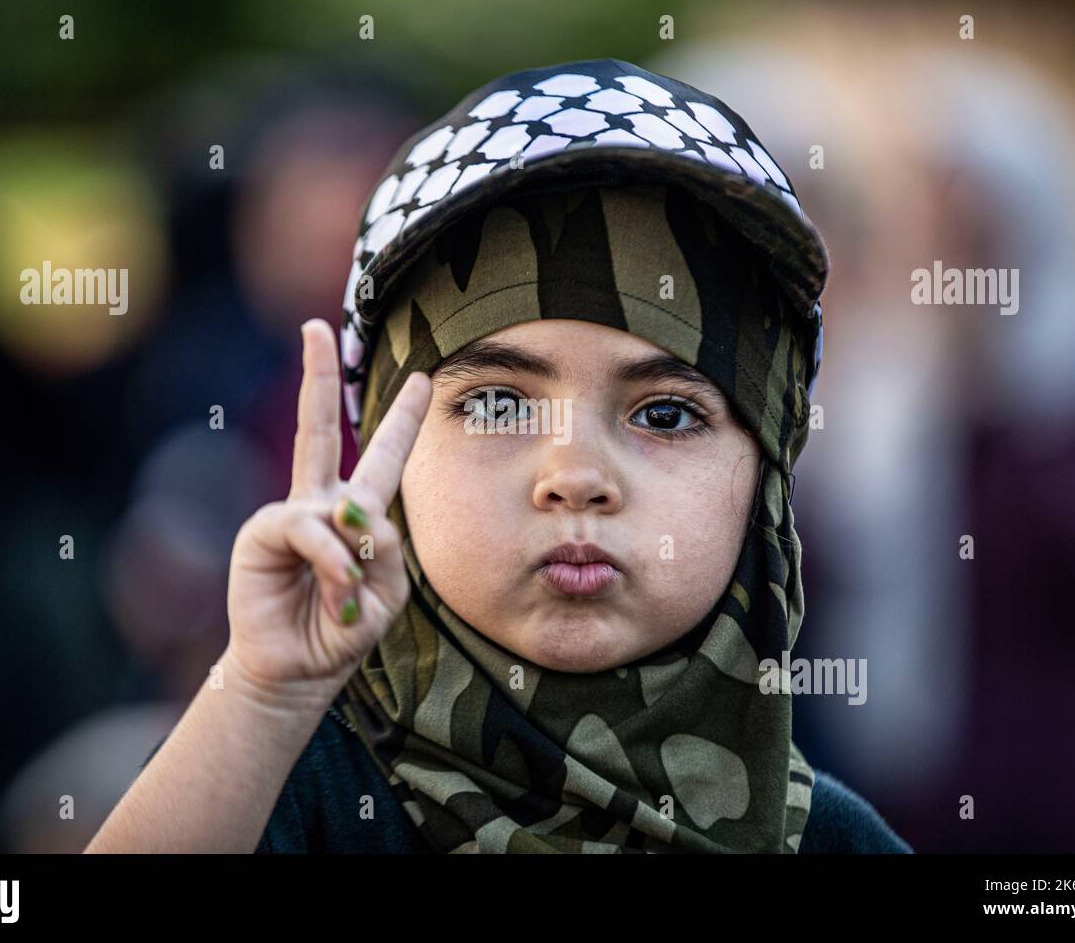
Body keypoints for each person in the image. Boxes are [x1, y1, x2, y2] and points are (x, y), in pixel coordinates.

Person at [85, 58, 911, 854]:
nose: (575, 478)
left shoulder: (821, 837)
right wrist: (262, 697)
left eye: (664, 413)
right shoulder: (282, 791)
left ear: (764, 474)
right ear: (385, 446)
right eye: (496, 404)